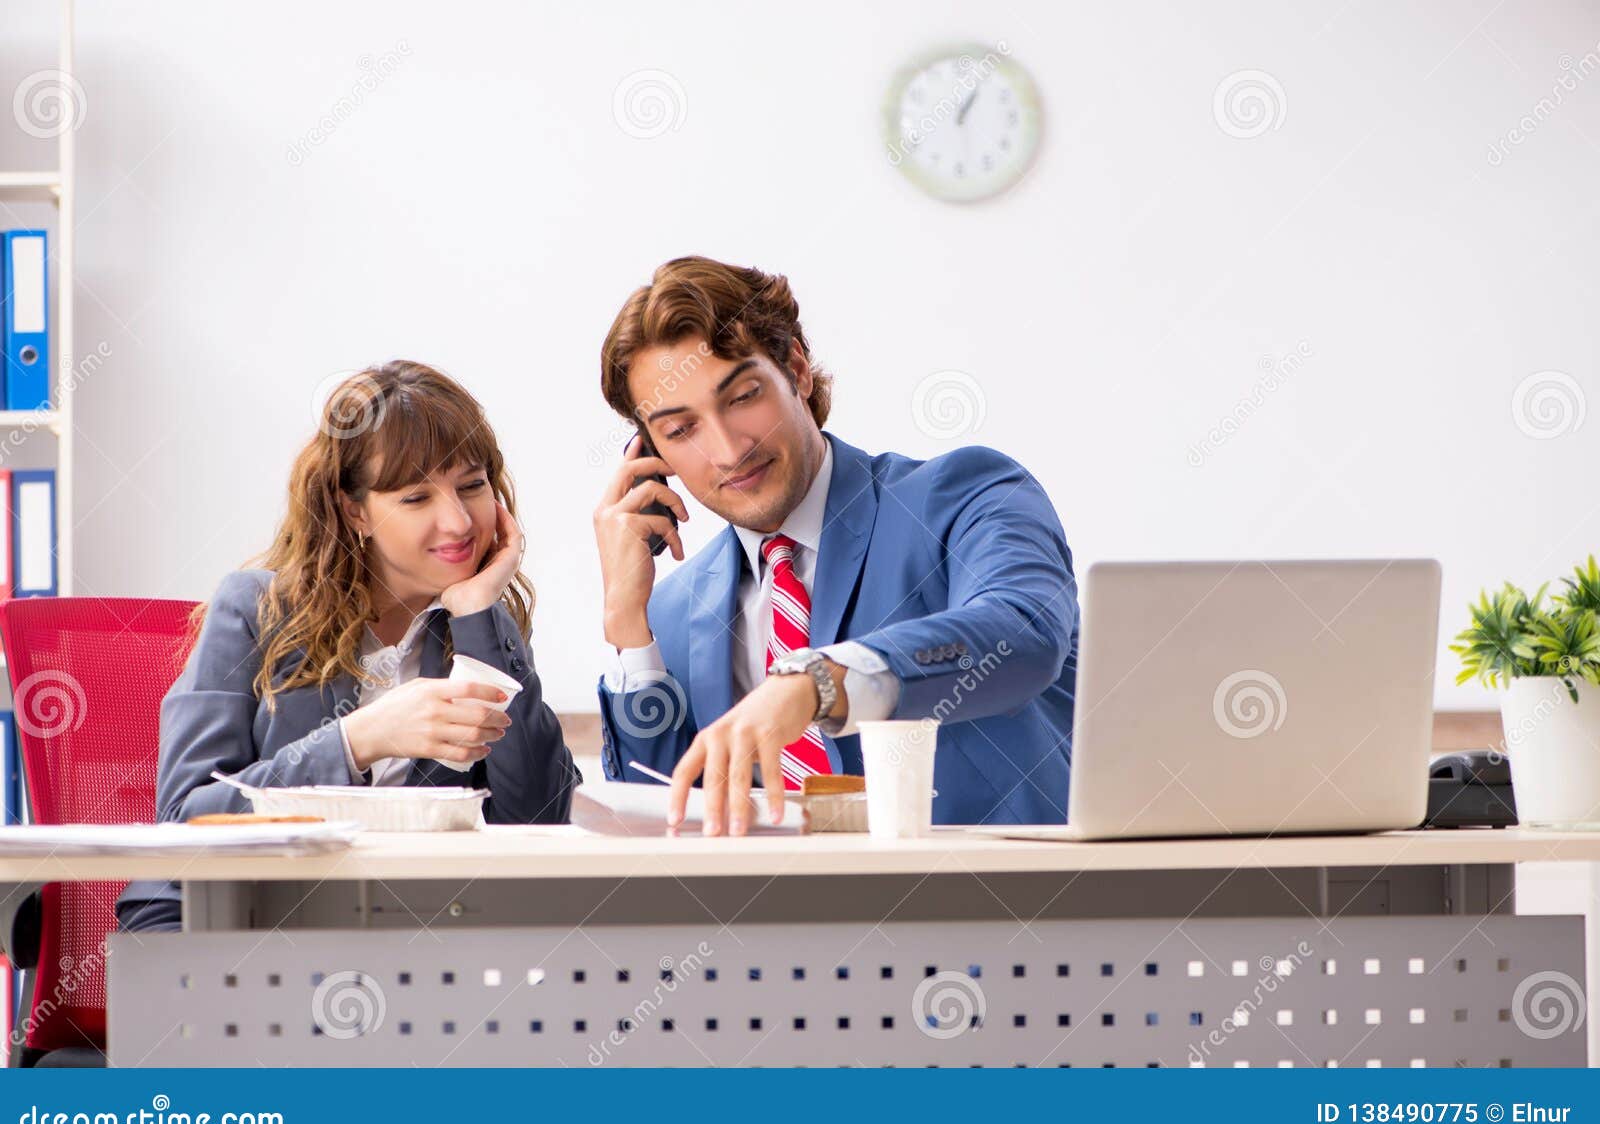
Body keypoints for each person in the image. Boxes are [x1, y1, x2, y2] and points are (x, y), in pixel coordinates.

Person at [592, 256, 1078, 836]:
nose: (727, 450)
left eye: (743, 396)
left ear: (796, 369)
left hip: (1006, 915)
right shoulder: (668, 615)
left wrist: (818, 683)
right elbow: (663, 839)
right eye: (680, 430)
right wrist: (627, 627)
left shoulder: (963, 497)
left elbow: (1025, 631)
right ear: (651, 458)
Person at [117, 361, 577, 932]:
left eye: (472, 486)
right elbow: (186, 821)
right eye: (415, 499)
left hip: (388, 930)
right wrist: (359, 739)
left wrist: (479, 613)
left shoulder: (479, 624)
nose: (458, 522)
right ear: (354, 509)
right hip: (224, 920)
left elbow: (538, 822)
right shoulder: (255, 609)